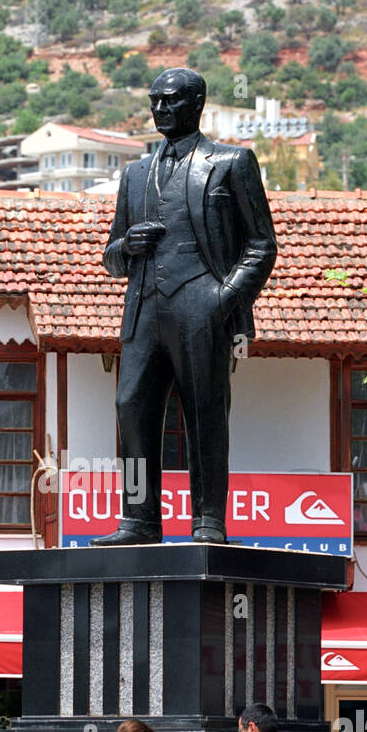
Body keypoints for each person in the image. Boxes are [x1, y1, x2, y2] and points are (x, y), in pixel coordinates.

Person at [91, 67, 277, 546]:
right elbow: (111, 259)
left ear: (196, 104)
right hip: (144, 309)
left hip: (203, 304)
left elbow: (261, 245)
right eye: (154, 101)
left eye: (170, 101)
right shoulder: (134, 175)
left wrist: (225, 298)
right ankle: (139, 519)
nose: (160, 110)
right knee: (131, 406)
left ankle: (208, 519)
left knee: (205, 411)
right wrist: (128, 244)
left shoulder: (231, 163)